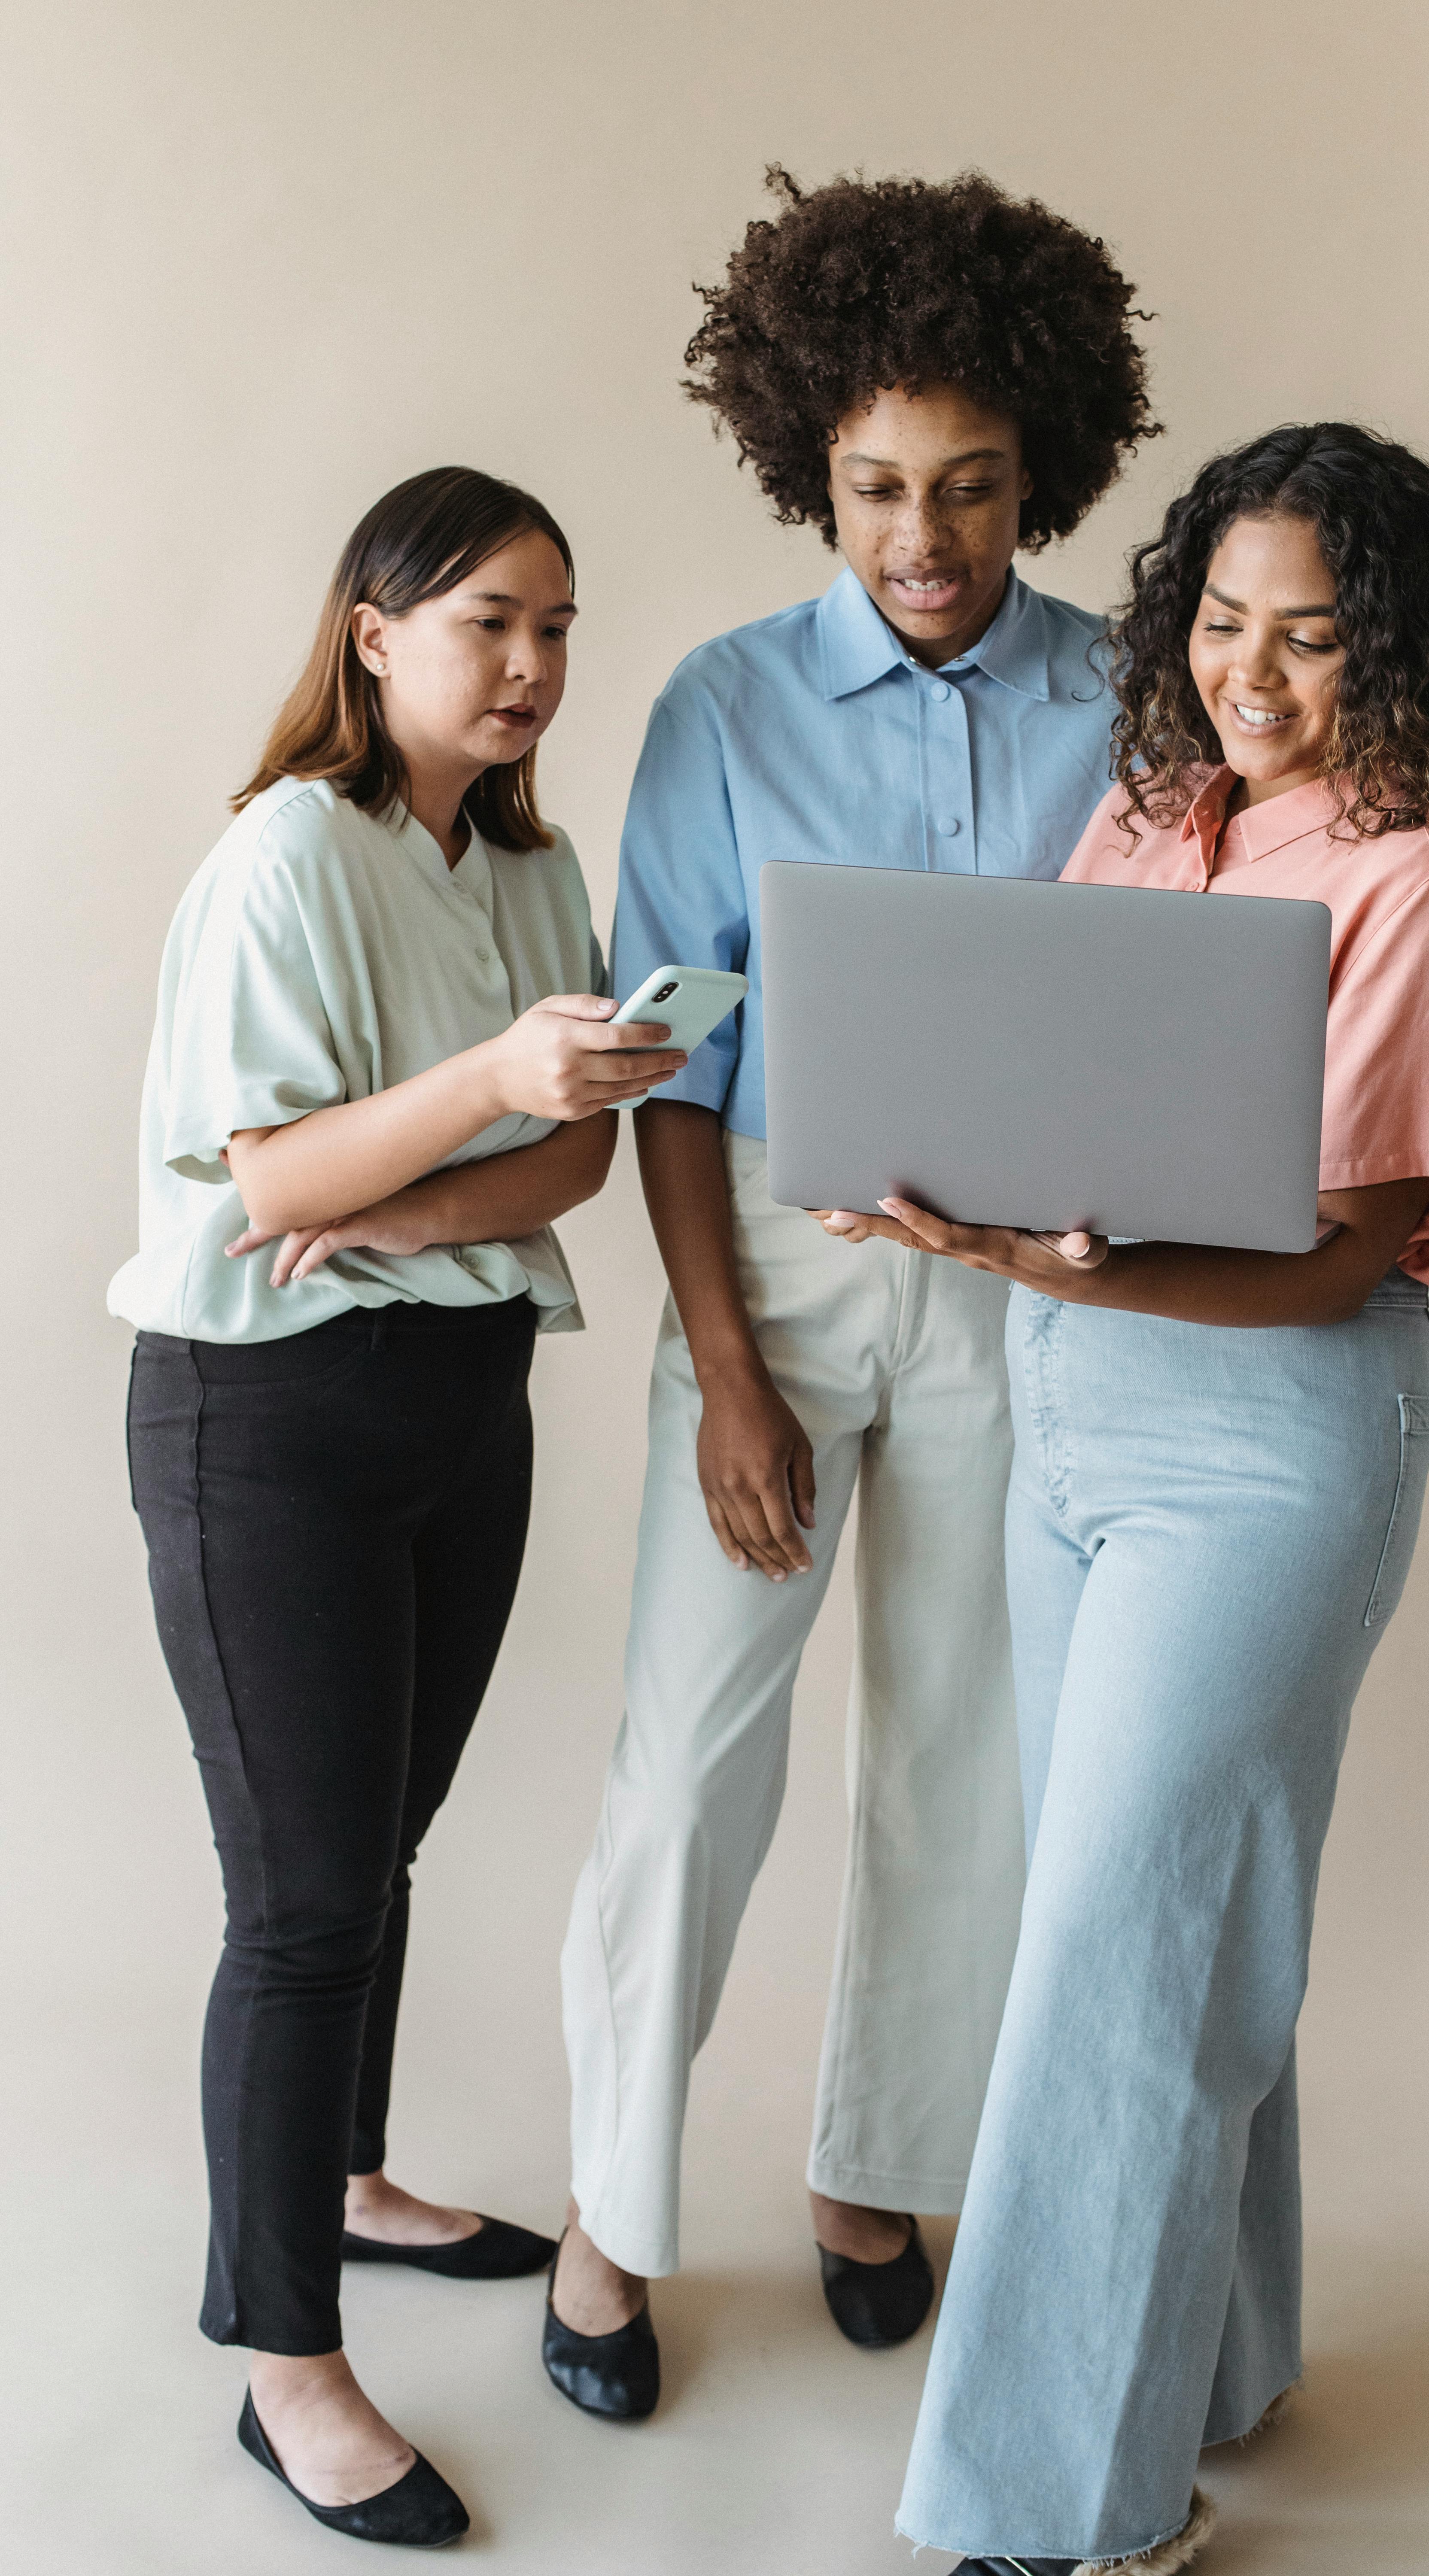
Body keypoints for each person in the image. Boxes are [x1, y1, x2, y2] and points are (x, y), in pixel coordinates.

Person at [819, 424, 1429, 2573]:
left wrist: (1073, 1256)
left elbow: (1344, 1243)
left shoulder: (1424, 879)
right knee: (1127, 1909)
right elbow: (1056, 1084)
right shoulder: (1152, 826)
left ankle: (1064, 2508)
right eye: (1223, 622)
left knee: (1123, 1956)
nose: (1254, 672)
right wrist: (959, 1185)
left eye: (1312, 639)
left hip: (1270, 1444)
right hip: (1076, 1405)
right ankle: (1214, 2364)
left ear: (1396, 654)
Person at [547, 168, 1158, 2406]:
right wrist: (725, 1370)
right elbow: (672, 1066)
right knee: (686, 1765)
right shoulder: (723, 706)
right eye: (882, 487)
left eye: (975, 490)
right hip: (780, 1286)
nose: (925, 536)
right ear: (817, 463)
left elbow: (1157, 1014)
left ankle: (870, 2172)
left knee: (964, 1759)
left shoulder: (1125, 697)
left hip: (1025, 1296)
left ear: (1044, 476)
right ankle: (612, 2219)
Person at [109, 467, 686, 2547]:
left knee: (388, 1839)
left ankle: (347, 2184)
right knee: (304, 1900)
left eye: (555, 627)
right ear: (373, 629)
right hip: (262, 1416)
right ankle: (285, 2366)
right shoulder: (286, 856)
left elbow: (576, 1166)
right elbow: (258, 1186)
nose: (531, 667)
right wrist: (484, 1102)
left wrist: (428, 1193)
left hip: (460, 1394)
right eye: (484, 626)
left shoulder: (532, 872)